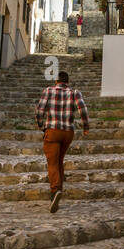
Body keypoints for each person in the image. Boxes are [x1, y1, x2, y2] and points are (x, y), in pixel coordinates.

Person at [35, 70, 89, 212]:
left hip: (52, 131)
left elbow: (40, 110)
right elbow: (83, 110)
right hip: (68, 133)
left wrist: (41, 125)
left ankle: (54, 192)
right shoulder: (74, 92)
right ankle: (59, 189)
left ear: (56, 81)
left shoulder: (49, 91)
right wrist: (85, 127)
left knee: (52, 162)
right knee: (59, 160)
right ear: (67, 82)